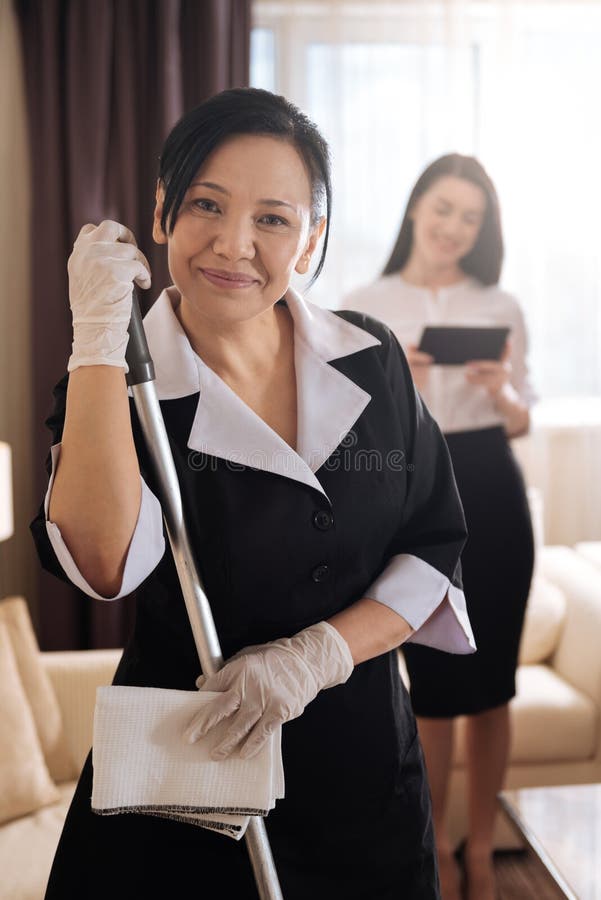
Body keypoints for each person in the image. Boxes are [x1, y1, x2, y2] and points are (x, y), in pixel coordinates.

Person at [31, 91, 476, 900]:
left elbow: (430, 545)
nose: (234, 244)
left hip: (361, 787)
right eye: (206, 203)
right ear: (163, 212)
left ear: (308, 240)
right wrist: (97, 337)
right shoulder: (114, 388)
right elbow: (102, 565)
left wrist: (323, 654)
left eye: (273, 219)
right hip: (180, 800)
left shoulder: (370, 359)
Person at [343, 153, 536, 900]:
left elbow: (521, 420)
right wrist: (405, 391)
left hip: (491, 483)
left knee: (493, 688)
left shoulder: (500, 303)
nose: (454, 227)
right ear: (415, 207)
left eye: (471, 217)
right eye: (443, 208)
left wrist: (504, 390)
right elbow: (346, 434)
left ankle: (481, 848)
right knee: (429, 687)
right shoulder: (365, 302)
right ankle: (438, 855)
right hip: (409, 482)